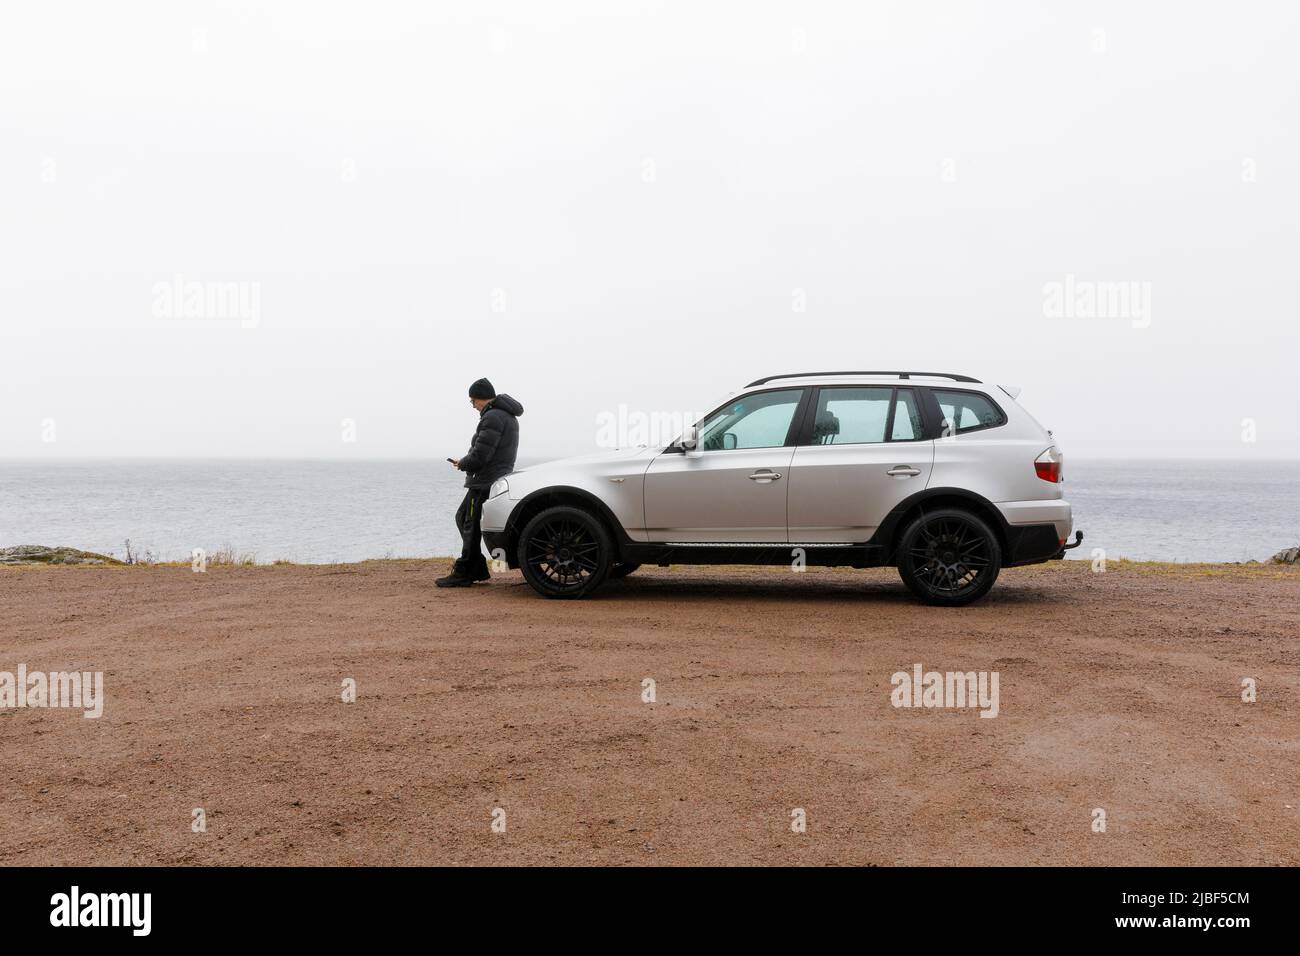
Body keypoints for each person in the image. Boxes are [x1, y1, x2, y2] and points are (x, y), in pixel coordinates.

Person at [436, 378, 524, 588]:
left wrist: (463, 463)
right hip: (493, 477)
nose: (473, 406)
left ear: (480, 398)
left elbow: (481, 454)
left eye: (473, 401)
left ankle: (467, 570)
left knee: (470, 523)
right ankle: (474, 566)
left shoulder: (493, 417)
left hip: (484, 480)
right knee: (464, 518)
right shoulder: (507, 416)